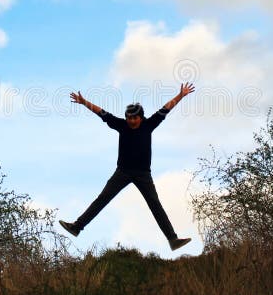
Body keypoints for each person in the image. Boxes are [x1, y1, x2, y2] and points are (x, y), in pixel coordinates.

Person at [59, 82, 195, 251]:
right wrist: (84, 101)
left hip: (143, 174)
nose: (131, 121)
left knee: (155, 204)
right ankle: (76, 227)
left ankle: (173, 240)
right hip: (122, 172)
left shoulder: (149, 124)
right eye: (129, 118)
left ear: (141, 118)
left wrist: (181, 95)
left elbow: (166, 108)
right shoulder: (121, 125)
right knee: (103, 198)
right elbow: (101, 112)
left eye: (134, 118)